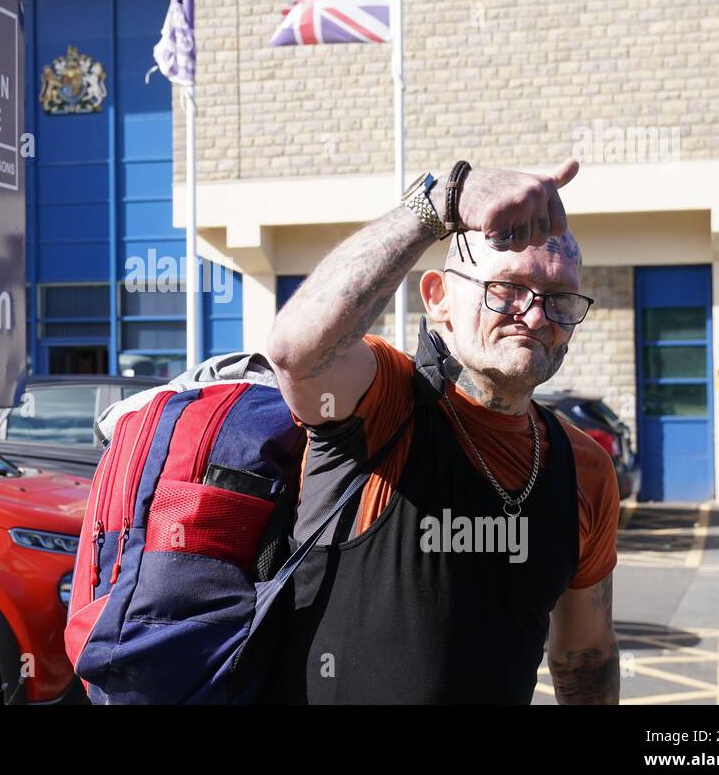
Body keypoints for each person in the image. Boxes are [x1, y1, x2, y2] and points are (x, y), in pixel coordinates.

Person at [264, 158, 619, 704]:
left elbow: (585, 655)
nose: (536, 316)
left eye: (561, 299)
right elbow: (295, 351)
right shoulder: (382, 396)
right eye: (507, 289)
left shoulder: (582, 465)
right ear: (438, 298)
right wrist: (440, 202)